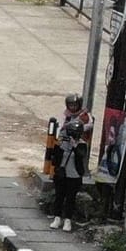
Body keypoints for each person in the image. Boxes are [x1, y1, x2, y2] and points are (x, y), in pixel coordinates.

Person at [49, 94, 92, 231]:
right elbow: (55, 155)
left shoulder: (81, 143)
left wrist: (75, 145)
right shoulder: (62, 139)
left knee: (70, 198)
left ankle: (68, 220)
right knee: (59, 196)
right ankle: (57, 217)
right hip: (62, 173)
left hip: (74, 175)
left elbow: (81, 156)